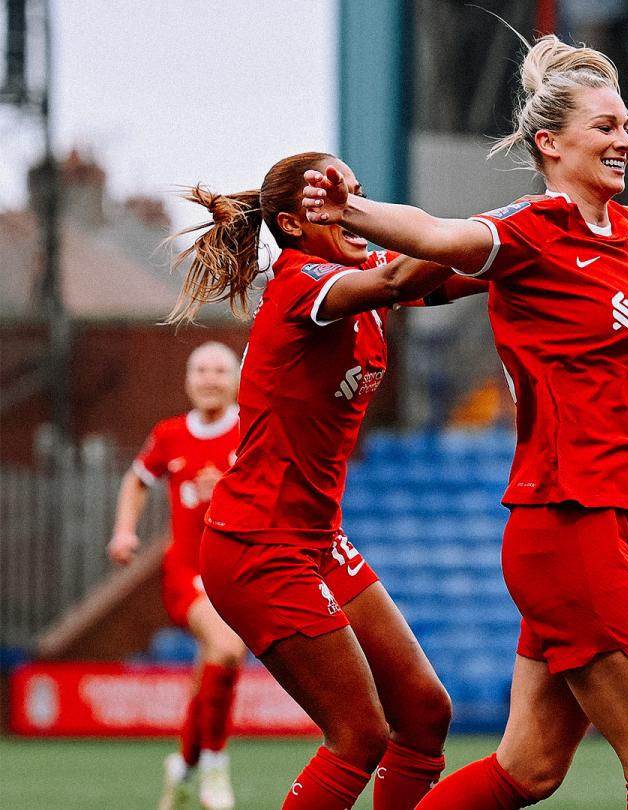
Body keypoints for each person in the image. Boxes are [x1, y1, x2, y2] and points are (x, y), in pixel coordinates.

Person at [301, 34, 628, 810]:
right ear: (550, 143)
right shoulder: (530, 231)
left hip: (610, 520)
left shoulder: (626, 235)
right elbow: (439, 235)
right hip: (567, 517)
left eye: (625, 124)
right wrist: (356, 211)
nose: (627, 139)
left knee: (531, 767)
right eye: (607, 126)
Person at [167, 151, 492, 810]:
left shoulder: (355, 270)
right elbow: (405, 278)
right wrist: (519, 228)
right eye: (335, 198)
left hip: (315, 538)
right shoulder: (301, 284)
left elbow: (445, 275)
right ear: (290, 224)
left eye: (358, 193)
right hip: (258, 544)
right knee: (359, 734)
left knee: (426, 715)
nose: (356, 209)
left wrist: (535, 249)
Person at [108, 341, 245, 810]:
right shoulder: (169, 434)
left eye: (220, 370)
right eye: (201, 370)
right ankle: (213, 768)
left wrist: (228, 488)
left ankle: (183, 766)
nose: (210, 378)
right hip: (188, 574)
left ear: (236, 381)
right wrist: (125, 532)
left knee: (210, 672)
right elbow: (136, 479)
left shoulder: (251, 432)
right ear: (187, 380)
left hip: (240, 575)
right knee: (227, 650)